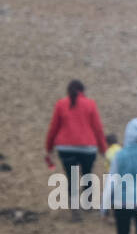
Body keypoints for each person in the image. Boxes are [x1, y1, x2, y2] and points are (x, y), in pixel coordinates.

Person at [44, 80, 107, 222]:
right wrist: (103, 148)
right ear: (82, 91)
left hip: (65, 148)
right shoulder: (90, 104)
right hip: (88, 147)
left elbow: (53, 128)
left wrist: (49, 148)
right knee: (87, 175)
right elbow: (98, 129)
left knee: (71, 178)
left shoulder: (61, 104)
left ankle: (75, 210)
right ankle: (88, 203)